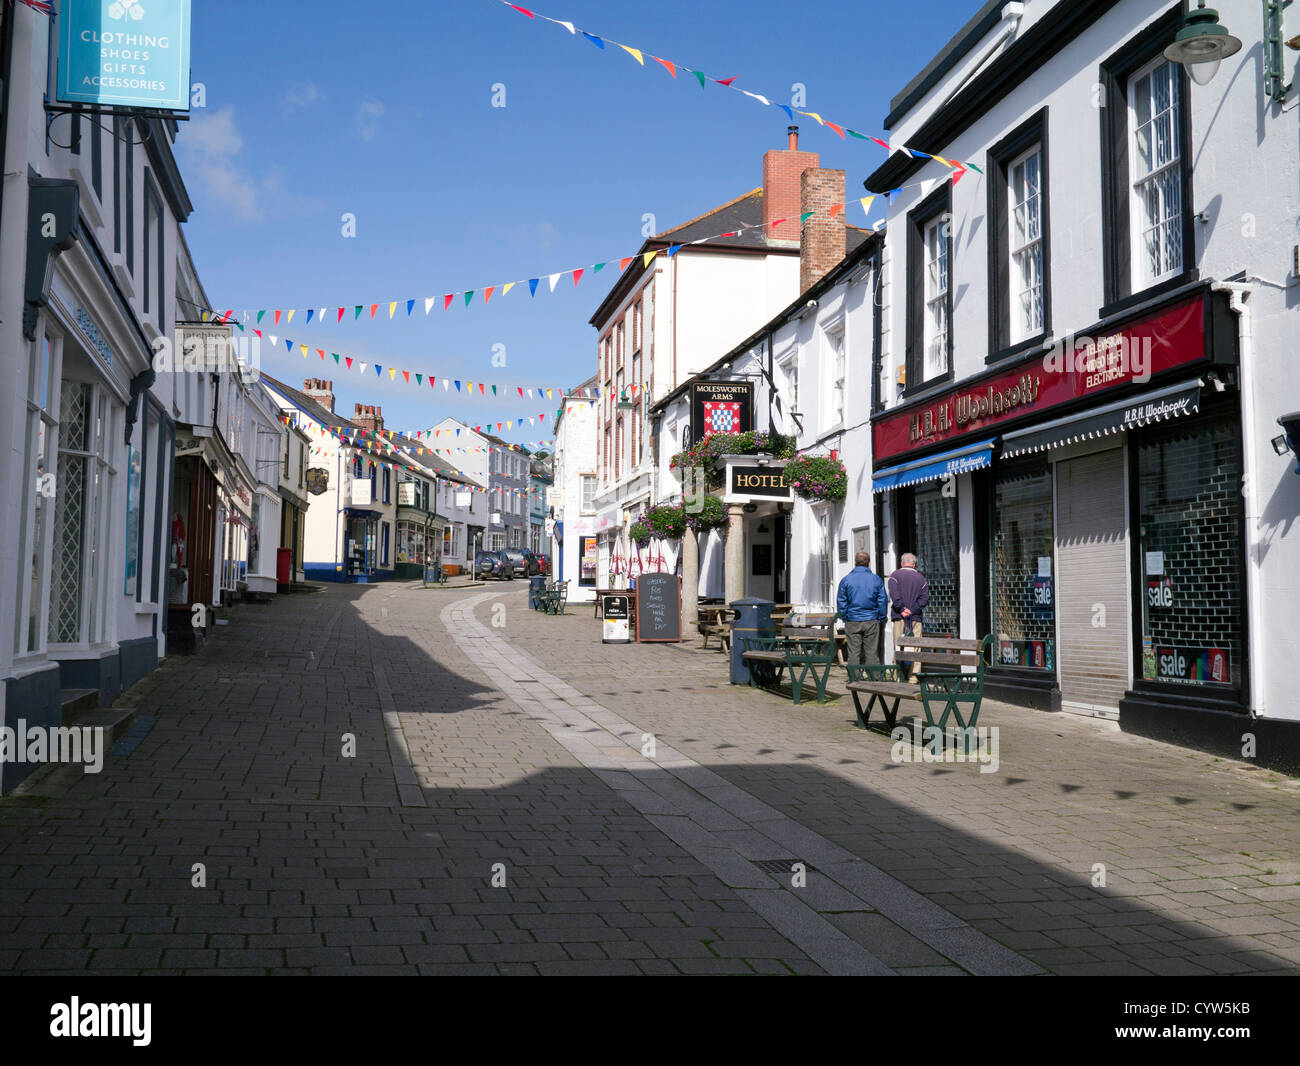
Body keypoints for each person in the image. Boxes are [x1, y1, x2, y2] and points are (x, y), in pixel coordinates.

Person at [836, 552, 887, 666]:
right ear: (869, 563)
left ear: (855, 563)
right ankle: (873, 679)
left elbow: (841, 601)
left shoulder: (846, 580)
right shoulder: (876, 579)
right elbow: (882, 600)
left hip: (852, 619)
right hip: (871, 619)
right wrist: (881, 617)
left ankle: (854, 679)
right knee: (872, 653)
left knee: (853, 653)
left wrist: (845, 616)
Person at [887, 553, 930, 683]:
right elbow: (924, 599)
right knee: (916, 647)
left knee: (898, 646)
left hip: (899, 617)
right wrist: (912, 609)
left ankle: (897, 676)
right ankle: (914, 676)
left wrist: (901, 609)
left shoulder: (894, 576)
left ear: (901, 563)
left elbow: (894, 595)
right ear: (914, 564)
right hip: (915, 618)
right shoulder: (921, 579)